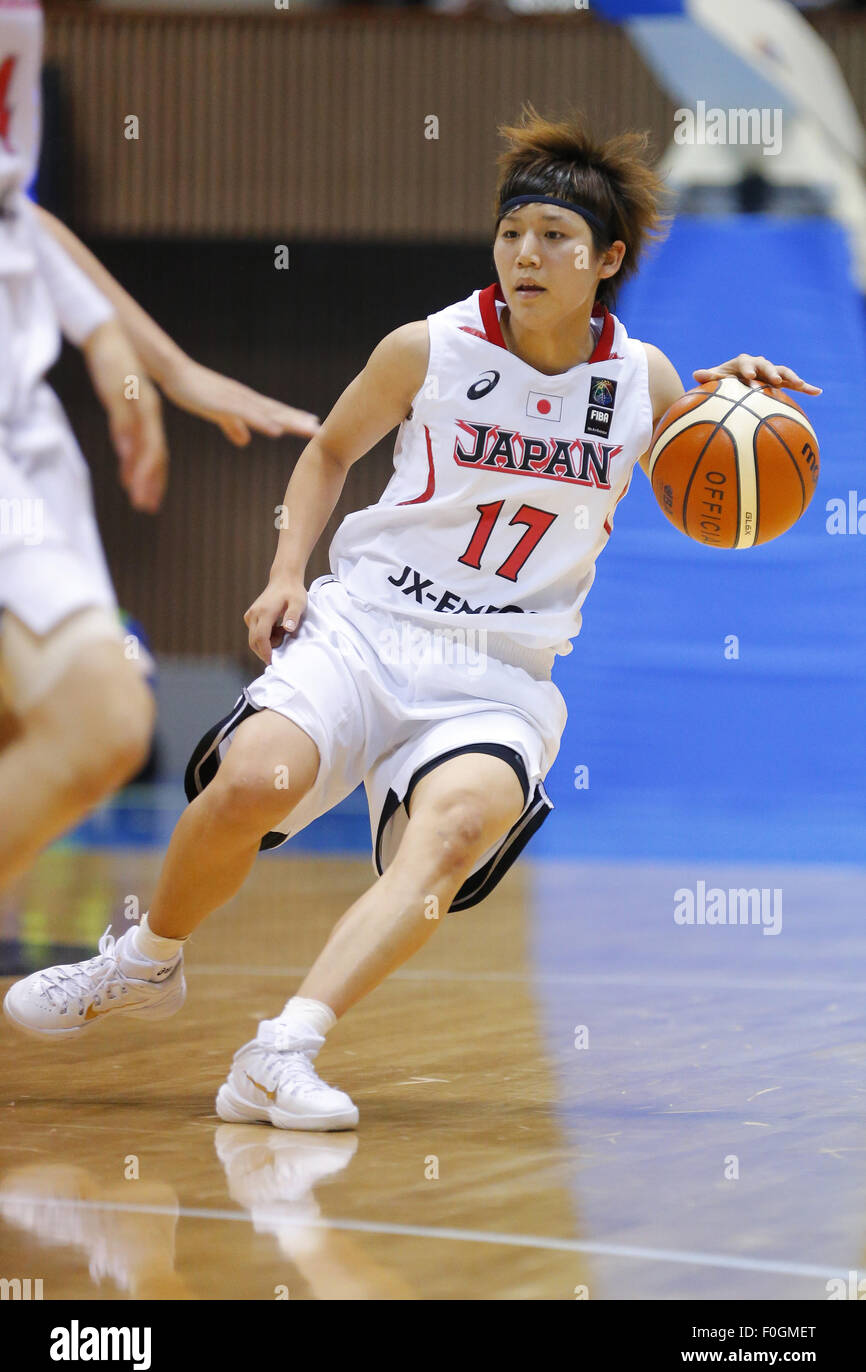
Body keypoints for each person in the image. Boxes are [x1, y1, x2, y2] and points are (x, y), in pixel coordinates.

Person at [3, 107, 821, 1131]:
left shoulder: (639, 381)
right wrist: (283, 573)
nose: (526, 253)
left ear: (606, 259)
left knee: (455, 833)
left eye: (555, 239)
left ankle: (281, 1050)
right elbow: (328, 453)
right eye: (512, 232)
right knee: (251, 782)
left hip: (499, 670)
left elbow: (711, 466)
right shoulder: (426, 347)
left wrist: (734, 398)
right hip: (369, 626)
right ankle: (146, 958)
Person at [0, 0, 318, 890]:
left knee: (40, 727)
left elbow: (12, 208)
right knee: (97, 721)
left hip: (24, 429)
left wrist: (139, 352)